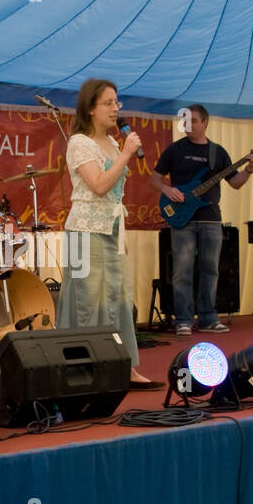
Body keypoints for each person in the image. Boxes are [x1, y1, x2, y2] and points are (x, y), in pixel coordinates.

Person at [57, 79, 159, 389]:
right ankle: (82, 368)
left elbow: (114, 196)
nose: (116, 109)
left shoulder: (114, 144)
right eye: (109, 103)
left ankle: (124, 366)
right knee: (85, 300)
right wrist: (127, 154)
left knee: (119, 298)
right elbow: (99, 186)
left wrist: (121, 234)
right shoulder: (79, 143)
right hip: (82, 233)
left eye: (118, 102)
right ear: (91, 108)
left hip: (111, 231)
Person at [149, 103, 253, 336]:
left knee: (211, 269)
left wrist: (249, 169)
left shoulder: (218, 153)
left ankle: (209, 318)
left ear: (205, 123)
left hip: (211, 218)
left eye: (193, 121)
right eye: (185, 121)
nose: (188, 125)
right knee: (182, 271)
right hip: (183, 220)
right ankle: (183, 320)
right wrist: (167, 191)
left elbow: (235, 183)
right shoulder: (174, 150)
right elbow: (155, 179)